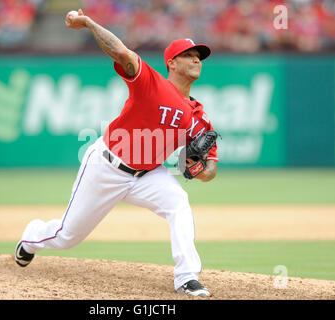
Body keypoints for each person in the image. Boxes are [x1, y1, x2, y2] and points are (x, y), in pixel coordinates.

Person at [15, 8, 218, 298]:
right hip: (107, 166)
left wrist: (200, 170)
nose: (196, 58)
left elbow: (210, 169)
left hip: (148, 174)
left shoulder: (199, 116)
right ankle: (31, 237)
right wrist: (88, 23)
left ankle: (187, 277)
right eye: (189, 54)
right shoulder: (151, 83)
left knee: (179, 203)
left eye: (199, 55)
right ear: (171, 63)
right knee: (67, 236)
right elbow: (121, 52)